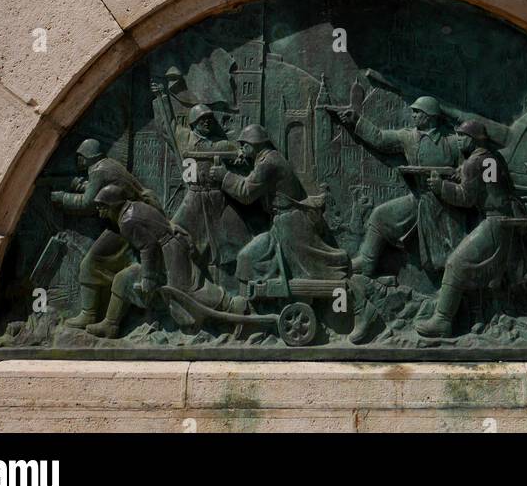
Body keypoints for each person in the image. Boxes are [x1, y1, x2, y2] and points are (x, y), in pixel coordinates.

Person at [84, 184, 245, 339]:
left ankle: (233, 306)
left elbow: (148, 246)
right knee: (122, 279)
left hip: (169, 251)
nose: (100, 211)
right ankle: (110, 325)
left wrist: (148, 278)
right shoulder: (134, 207)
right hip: (169, 248)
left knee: (186, 291)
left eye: (102, 206)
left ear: (113, 205)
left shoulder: (127, 220)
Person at [334, 96, 468, 274]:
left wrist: (455, 175)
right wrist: (357, 121)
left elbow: (466, 169)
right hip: (419, 198)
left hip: (446, 203)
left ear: (429, 116)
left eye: (417, 112)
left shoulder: (451, 142)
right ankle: (367, 261)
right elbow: (380, 138)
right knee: (380, 216)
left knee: (446, 257)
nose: (412, 115)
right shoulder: (408, 137)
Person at [211, 125, 349, 293]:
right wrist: (244, 164)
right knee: (246, 257)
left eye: (244, 145)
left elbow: (246, 192)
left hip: (291, 228)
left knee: (249, 258)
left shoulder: (268, 163)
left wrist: (224, 176)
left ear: (255, 144)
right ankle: (250, 304)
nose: (241, 150)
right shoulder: (267, 159)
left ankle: (253, 303)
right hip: (282, 225)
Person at [417, 119, 519, 338]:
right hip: (501, 219)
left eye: (462, 136)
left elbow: (466, 197)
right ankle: (477, 315)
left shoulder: (475, 162)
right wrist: (463, 173)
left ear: (472, 139)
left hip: (494, 221)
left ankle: (443, 320)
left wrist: (440, 187)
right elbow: (487, 181)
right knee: (470, 267)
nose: (458, 140)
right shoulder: (490, 157)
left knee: (455, 264)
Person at [49, 139, 161, 330]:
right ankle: (100, 314)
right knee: (96, 264)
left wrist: (62, 198)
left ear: (86, 156)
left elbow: (88, 203)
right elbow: (101, 190)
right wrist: (81, 185)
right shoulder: (108, 165)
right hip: (127, 220)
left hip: (126, 225)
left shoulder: (99, 170)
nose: (78, 162)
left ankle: (92, 315)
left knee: (90, 263)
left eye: (80, 157)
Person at [171, 105, 253, 280]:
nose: (207, 121)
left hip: (217, 198)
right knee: (174, 236)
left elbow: (244, 162)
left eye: (209, 118)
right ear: (193, 122)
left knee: (237, 240)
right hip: (193, 197)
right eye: (202, 119)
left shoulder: (221, 144)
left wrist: (239, 158)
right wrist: (159, 97)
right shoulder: (184, 139)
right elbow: (167, 124)